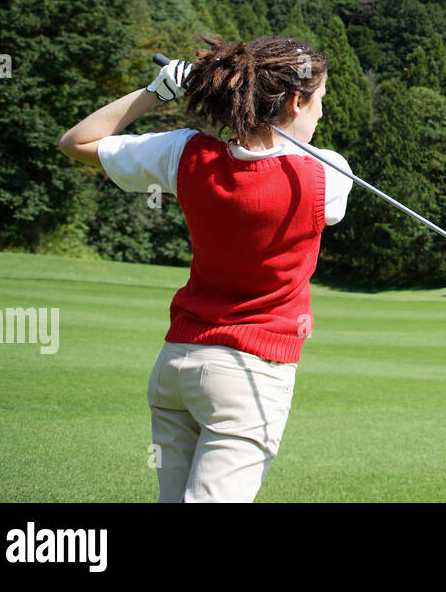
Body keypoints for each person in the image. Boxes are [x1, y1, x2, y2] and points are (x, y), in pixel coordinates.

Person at [58, 34, 353, 502]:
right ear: (296, 102)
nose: (321, 113)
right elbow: (286, 164)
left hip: (176, 365)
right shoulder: (329, 174)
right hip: (250, 374)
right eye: (319, 101)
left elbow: (77, 142)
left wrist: (155, 93)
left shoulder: (183, 153)